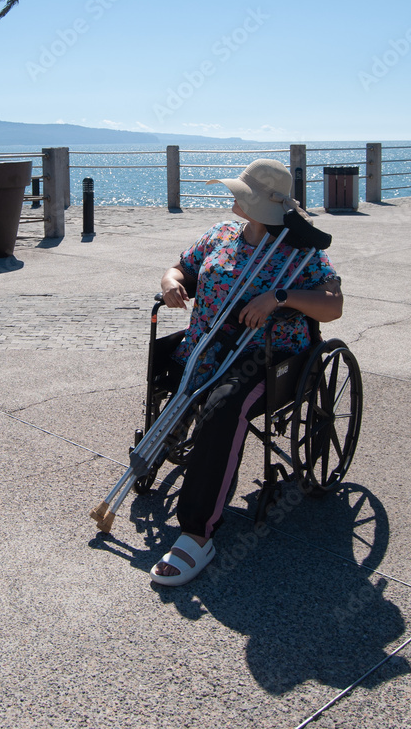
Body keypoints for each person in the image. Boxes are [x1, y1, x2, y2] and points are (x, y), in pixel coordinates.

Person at [150, 158, 343, 586]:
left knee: (223, 407)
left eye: (243, 193)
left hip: (266, 359)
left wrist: (280, 297)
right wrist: (171, 282)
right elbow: (181, 267)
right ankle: (171, 440)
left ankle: (196, 534)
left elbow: (333, 305)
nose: (233, 197)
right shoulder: (221, 234)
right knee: (168, 371)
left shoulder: (301, 253)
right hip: (205, 348)